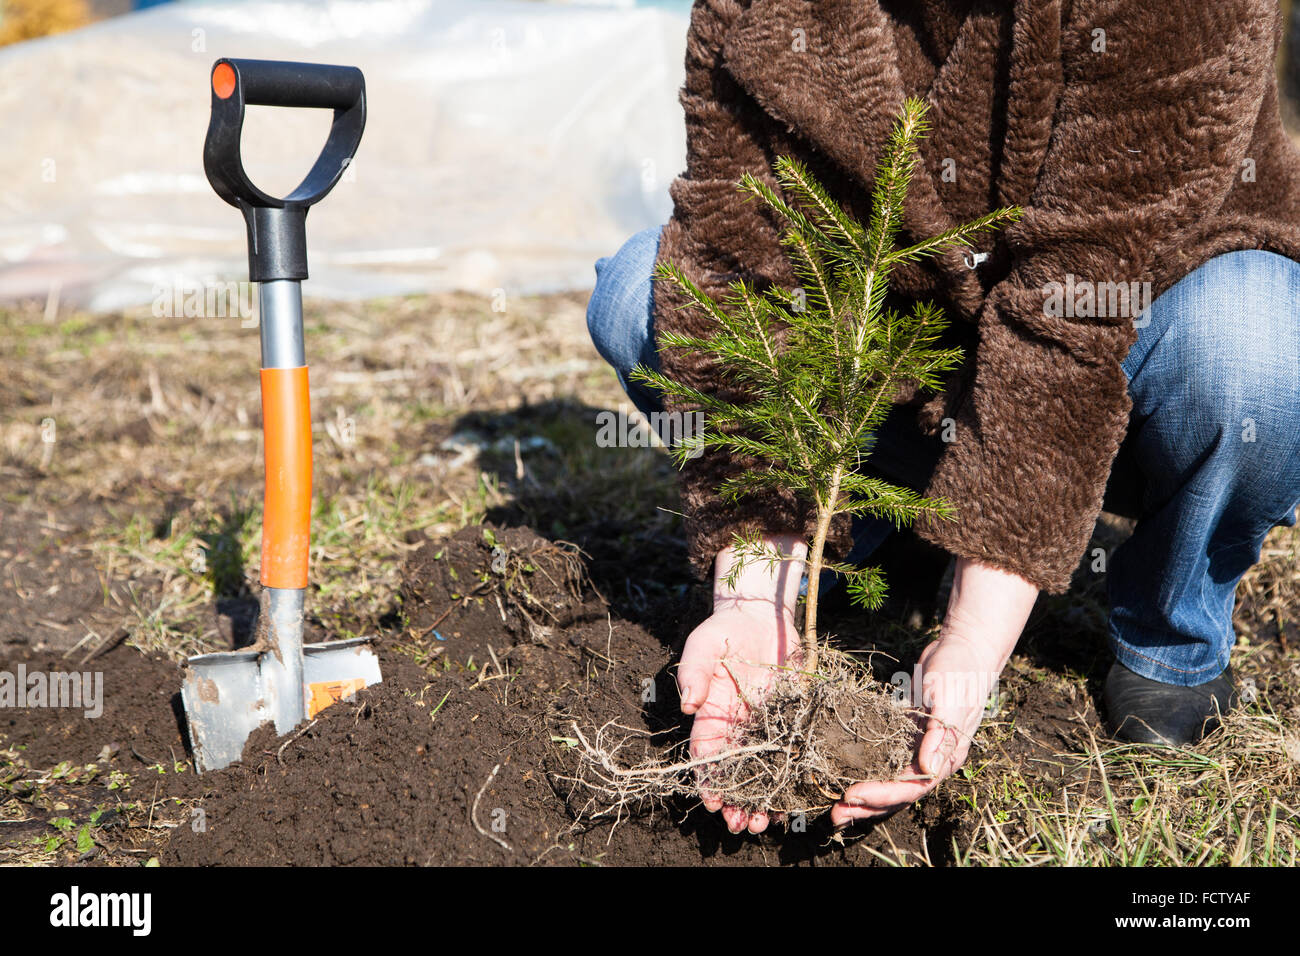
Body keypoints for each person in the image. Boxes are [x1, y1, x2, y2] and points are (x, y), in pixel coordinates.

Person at [586, 0, 1300, 835]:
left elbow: (1074, 303)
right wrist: (755, 588)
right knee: (641, 293)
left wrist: (969, 640)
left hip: (1136, 323)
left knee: (1259, 353)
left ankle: (1170, 633)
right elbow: (732, 251)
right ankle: (869, 531)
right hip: (895, 359)